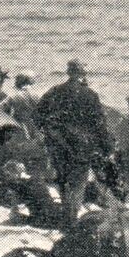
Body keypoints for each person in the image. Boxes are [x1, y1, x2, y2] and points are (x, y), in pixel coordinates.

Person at [37, 59, 112, 227]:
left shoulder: (55, 91)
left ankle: (67, 216)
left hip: (58, 143)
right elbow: (99, 123)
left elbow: (37, 115)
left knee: (63, 181)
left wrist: (47, 132)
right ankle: (71, 220)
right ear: (82, 75)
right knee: (78, 183)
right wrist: (106, 146)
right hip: (82, 145)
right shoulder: (90, 95)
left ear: (68, 72)